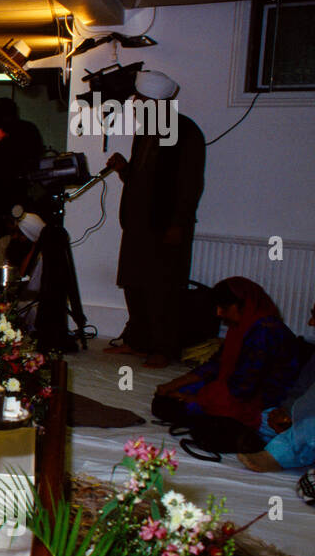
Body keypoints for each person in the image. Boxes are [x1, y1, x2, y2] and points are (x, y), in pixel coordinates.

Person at [104, 70, 205, 368]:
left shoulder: (184, 131)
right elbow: (140, 178)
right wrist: (124, 168)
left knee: (164, 288)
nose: (135, 102)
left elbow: (190, 183)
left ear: (155, 101)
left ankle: (165, 348)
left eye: (139, 98)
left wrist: (178, 223)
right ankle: (138, 342)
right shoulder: (145, 131)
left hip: (165, 226)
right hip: (137, 225)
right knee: (135, 284)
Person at [153, 278, 301, 449]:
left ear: (244, 304)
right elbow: (217, 364)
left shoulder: (265, 332)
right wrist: (172, 385)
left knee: (182, 409)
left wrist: (196, 399)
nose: (218, 313)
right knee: (165, 400)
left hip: (262, 399)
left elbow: (244, 388)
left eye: (224, 308)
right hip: (235, 387)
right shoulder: (243, 324)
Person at [240, 291, 315, 472]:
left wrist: (293, 419)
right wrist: (284, 412)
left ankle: (278, 454)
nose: (311, 323)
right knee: (261, 418)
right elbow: (301, 388)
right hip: (303, 417)